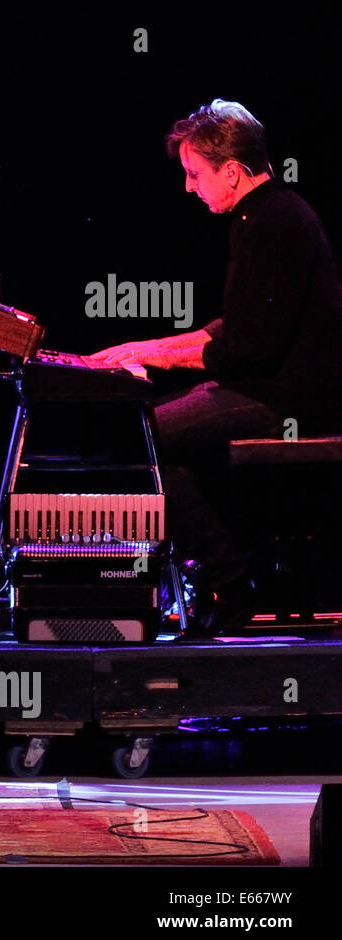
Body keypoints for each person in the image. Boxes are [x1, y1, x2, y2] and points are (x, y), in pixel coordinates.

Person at [91, 99, 342, 634]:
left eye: (194, 174)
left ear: (231, 171)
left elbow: (249, 349)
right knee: (154, 432)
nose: (188, 187)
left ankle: (229, 582)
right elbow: (232, 327)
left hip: (288, 399)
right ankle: (225, 573)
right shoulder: (264, 215)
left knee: (141, 438)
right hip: (272, 387)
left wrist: (157, 355)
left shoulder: (273, 221)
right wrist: (142, 346)